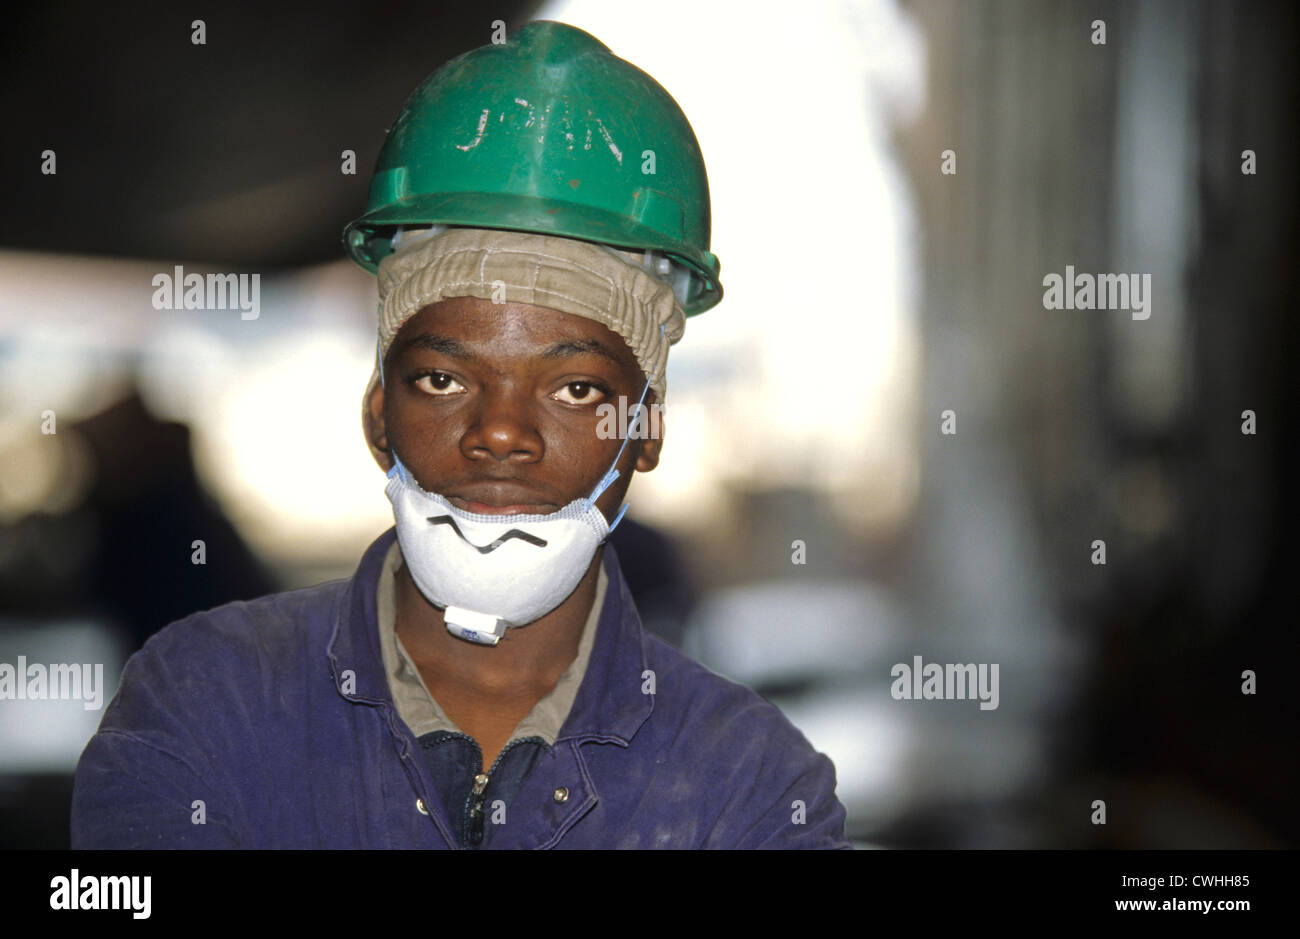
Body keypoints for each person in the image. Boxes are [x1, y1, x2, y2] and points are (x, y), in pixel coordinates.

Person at [71, 20, 851, 849]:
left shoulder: (755, 787)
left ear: (646, 429)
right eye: (443, 379)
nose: (501, 432)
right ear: (378, 414)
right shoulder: (204, 700)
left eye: (576, 387)